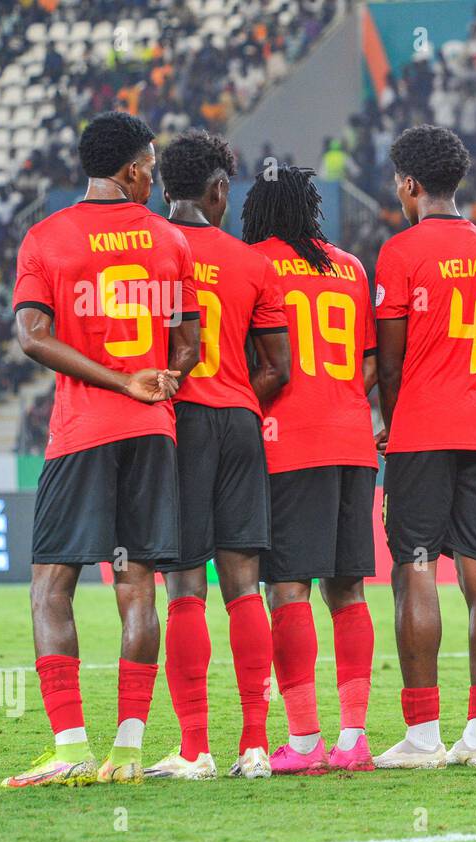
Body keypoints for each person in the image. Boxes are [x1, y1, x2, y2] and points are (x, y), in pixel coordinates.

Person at [5, 111, 201, 786]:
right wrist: (161, 377)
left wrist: (117, 378)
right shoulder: (170, 241)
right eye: (148, 165)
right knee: (136, 582)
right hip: (151, 431)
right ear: (130, 171)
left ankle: (69, 748)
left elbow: (32, 336)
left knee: (50, 586)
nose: (152, 175)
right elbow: (188, 345)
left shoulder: (46, 239)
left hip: (82, 432)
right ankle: (129, 748)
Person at [142, 129, 292, 782]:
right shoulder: (253, 261)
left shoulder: (148, 251)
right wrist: (240, 401)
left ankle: (196, 746)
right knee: (243, 583)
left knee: (183, 585)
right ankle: (255, 747)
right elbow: (278, 367)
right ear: (218, 189)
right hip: (240, 424)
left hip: (178, 425)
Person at [372, 125, 476, 768]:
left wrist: (394, 426)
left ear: (410, 184)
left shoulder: (400, 252)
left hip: (422, 433)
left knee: (417, 571)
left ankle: (424, 735)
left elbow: (392, 363)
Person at [242, 165, 379, 774]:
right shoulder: (350, 266)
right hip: (353, 442)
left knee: (288, 588)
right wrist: (344, 396)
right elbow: (372, 362)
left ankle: (304, 743)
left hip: (287, 443)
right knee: (347, 589)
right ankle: (355, 740)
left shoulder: (254, 262)